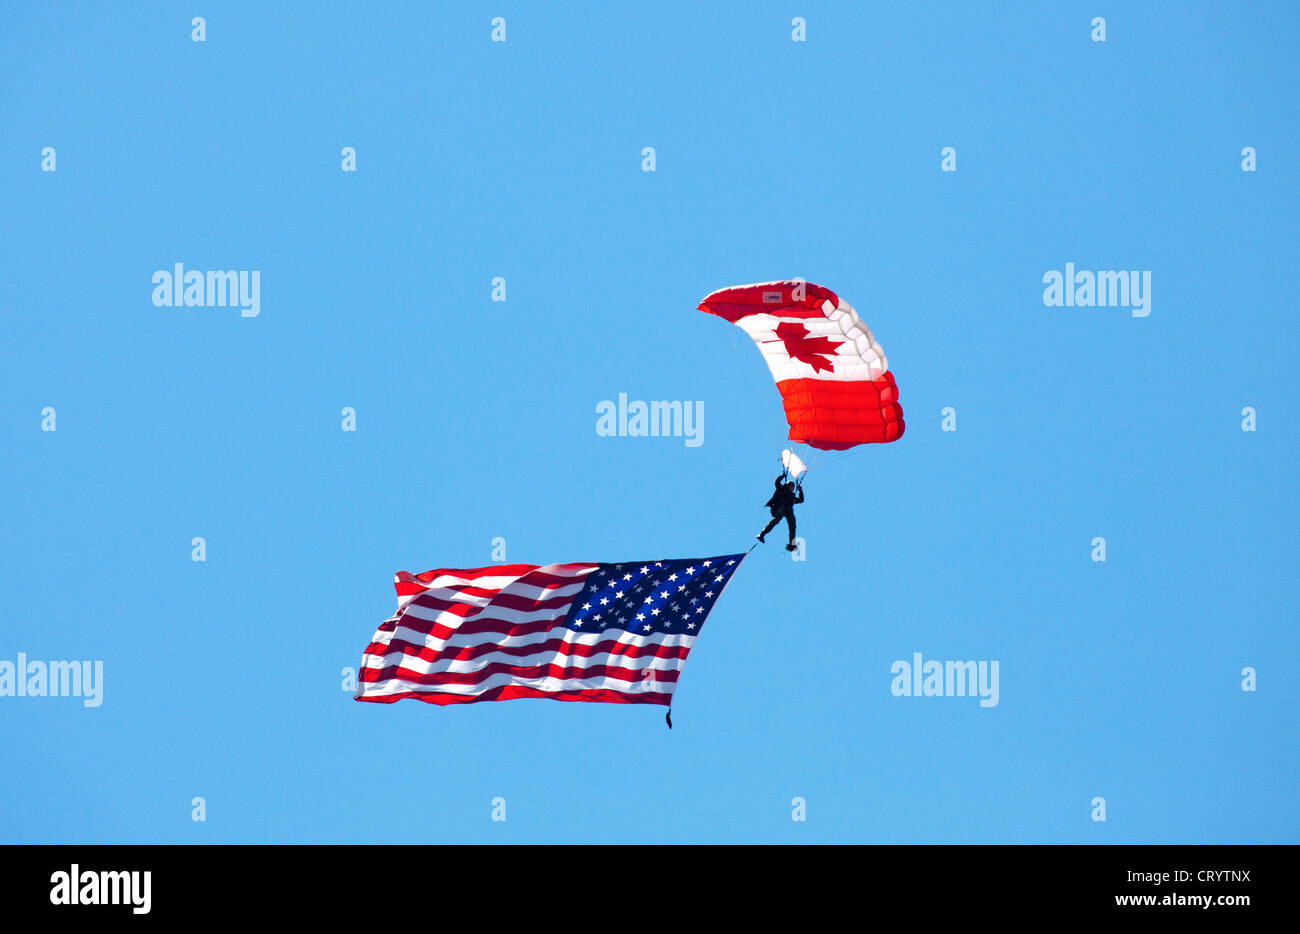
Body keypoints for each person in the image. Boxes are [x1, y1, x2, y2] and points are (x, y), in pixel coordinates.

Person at [757, 474, 804, 551]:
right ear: (787, 486)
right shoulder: (781, 490)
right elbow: (777, 482)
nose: (791, 487)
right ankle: (762, 534)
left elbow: (801, 500)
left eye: (792, 486)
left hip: (788, 511)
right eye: (790, 485)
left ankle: (792, 544)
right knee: (777, 519)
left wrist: (800, 490)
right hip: (779, 508)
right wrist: (783, 475)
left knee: (793, 525)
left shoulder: (792, 498)